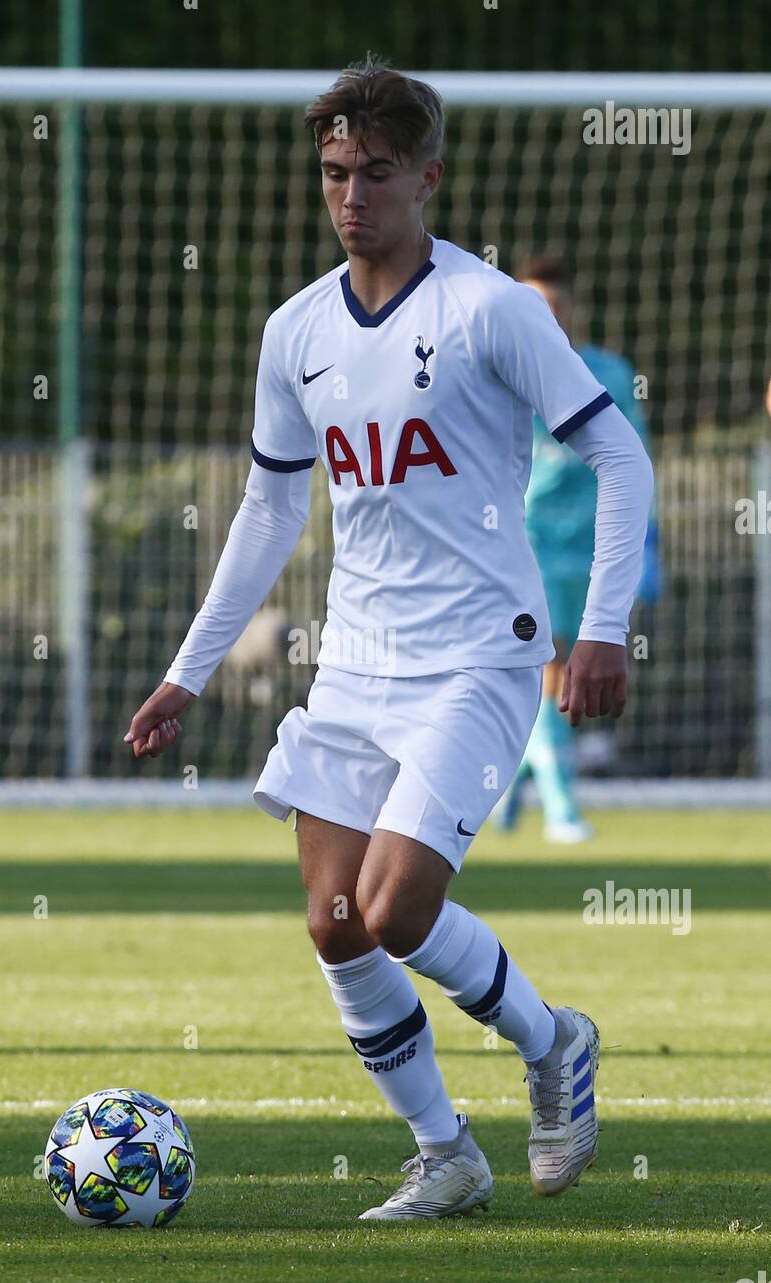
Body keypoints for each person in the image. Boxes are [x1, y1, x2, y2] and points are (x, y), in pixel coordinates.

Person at [124, 57, 654, 1220]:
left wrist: (601, 629)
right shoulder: (296, 330)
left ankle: (553, 1039)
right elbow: (271, 509)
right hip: (356, 658)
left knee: (400, 906)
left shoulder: (493, 309)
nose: (352, 195)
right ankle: (446, 1150)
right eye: (333, 174)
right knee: (335, 919)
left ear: (427, 176)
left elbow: (623, 455)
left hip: (480, 651)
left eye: (374, 173)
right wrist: (187, 673)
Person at [492, 254, 659, 841]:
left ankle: (511, 790)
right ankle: (562, 808)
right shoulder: (505, 370)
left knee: (558, 675)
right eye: (534, 307)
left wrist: (649, 544)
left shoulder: (610, 373)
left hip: (593, 552)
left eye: (555, 307)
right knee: (545, 671)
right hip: (528, 546)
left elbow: (635, 462)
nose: (547, 318)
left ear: (573, 309)